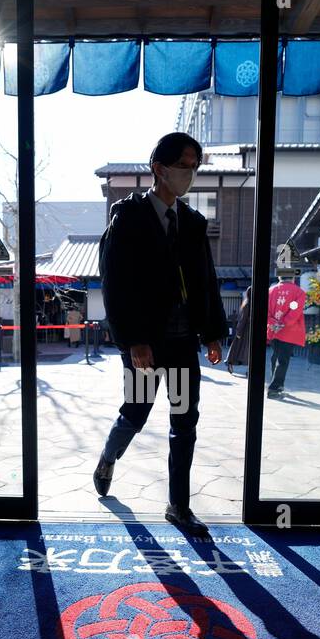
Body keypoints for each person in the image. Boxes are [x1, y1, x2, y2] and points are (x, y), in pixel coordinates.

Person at [94, 132, 228, 539]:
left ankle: (179, 506)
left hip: (183, 342)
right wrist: (132, 339)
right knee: (136, 412)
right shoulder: (128, 216)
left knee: (184, 421)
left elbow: (206, 281)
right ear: (159, 168)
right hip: (145, 346)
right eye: (184, 165)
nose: (189, 173)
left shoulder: (192, 223)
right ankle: (108, 457)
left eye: (194, 166)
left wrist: (213, 333)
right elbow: (115, 283)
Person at [265, 272, 307, 398]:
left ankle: (278, 385)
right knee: (282, 359)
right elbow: (295, 310)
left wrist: (273, 323)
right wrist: (284, 323)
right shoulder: (299, 292)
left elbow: (264, 310)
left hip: (273, 329)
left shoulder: (270, 291)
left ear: (279, 277)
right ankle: (274, 388)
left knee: (276, 357)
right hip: (289, 331)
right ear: (293, 278)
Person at [225, 285, 252, 374]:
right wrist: (239, 332)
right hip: (245, 330)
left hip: (246, 330)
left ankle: (248, 369)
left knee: (240, 349)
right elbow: (243, 319)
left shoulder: (247, 303)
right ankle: (230, 362)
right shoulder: (248, 304)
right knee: (240, 349)